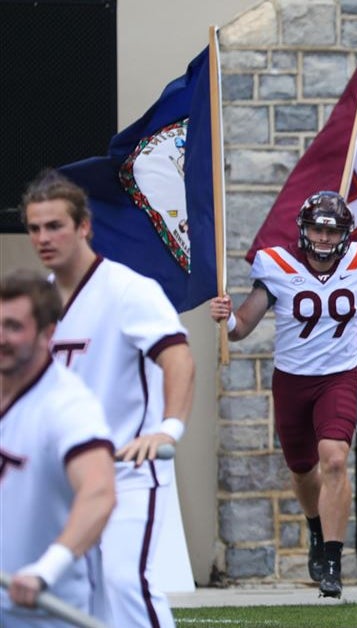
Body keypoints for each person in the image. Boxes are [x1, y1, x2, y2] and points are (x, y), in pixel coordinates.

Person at [210, 191, 357, 599]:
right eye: (316, 228)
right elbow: (242, 326)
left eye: (330, 230)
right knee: (302, 469)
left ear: (345, 235)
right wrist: (226, 316)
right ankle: (317, 528)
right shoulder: (277, 265)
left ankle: (332, 561)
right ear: (303, 230)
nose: (321, 237)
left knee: (334, 459)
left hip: (337, 377)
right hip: (292, 379)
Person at [23, 170, 196, 627]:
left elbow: (177, 358)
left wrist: (168, 428)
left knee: (126, 584)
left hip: (128, 475)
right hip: (61, 480)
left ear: (84, 226)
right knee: (69, 603)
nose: (44, 237)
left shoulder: (128, 290)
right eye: (34, 227)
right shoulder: (36, 301)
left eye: (55, 225)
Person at [1, 269, 116, 625]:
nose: (1, 337)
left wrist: (44, 571)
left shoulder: (68, 406)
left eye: (13, 327)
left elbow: (99, 492)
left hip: (44, 610)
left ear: (48, 334)